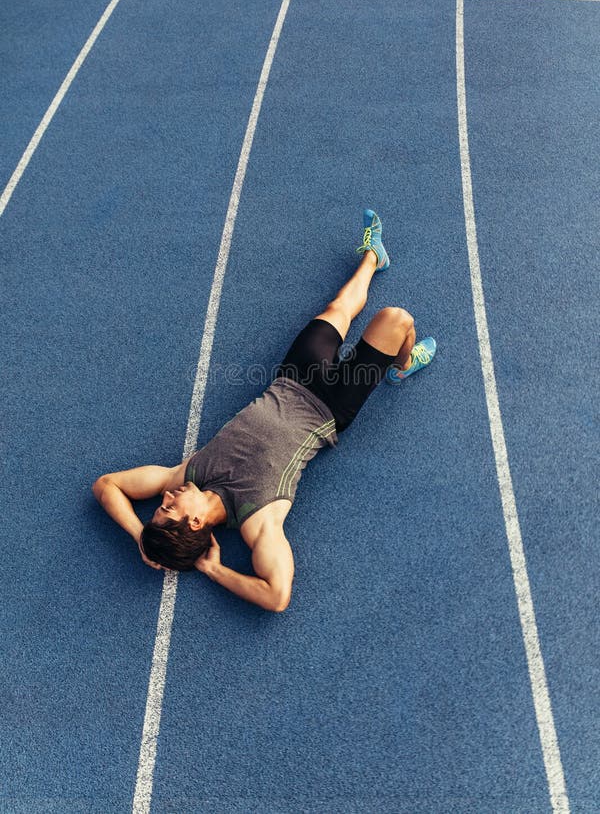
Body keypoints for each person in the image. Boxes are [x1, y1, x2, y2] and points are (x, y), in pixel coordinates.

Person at [92, 210, 436, 611]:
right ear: (196, 523)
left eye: (161, 505)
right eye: (169, 510)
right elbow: (277, 597)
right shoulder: (259, 522)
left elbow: (106, 485)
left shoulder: (188, 475)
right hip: (331, 404)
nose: (166, 497)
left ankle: (374, 256)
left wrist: (140, 537)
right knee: (397, 319)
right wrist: (215, 570)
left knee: (339, 306)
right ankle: (403, 365)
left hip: (292, 378)